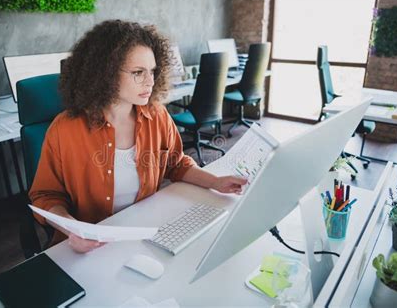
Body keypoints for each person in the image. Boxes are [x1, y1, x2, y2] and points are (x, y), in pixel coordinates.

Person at [30, 20, 247, 253]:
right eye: (138, 73)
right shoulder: (65, 128)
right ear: (105, 74)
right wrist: (73, 228)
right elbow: (45, 196)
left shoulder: (157, 115)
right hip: (88, 248)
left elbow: (176, 163)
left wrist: (216, 182)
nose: (150, 81)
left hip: (142, 236)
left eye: (152, 71)